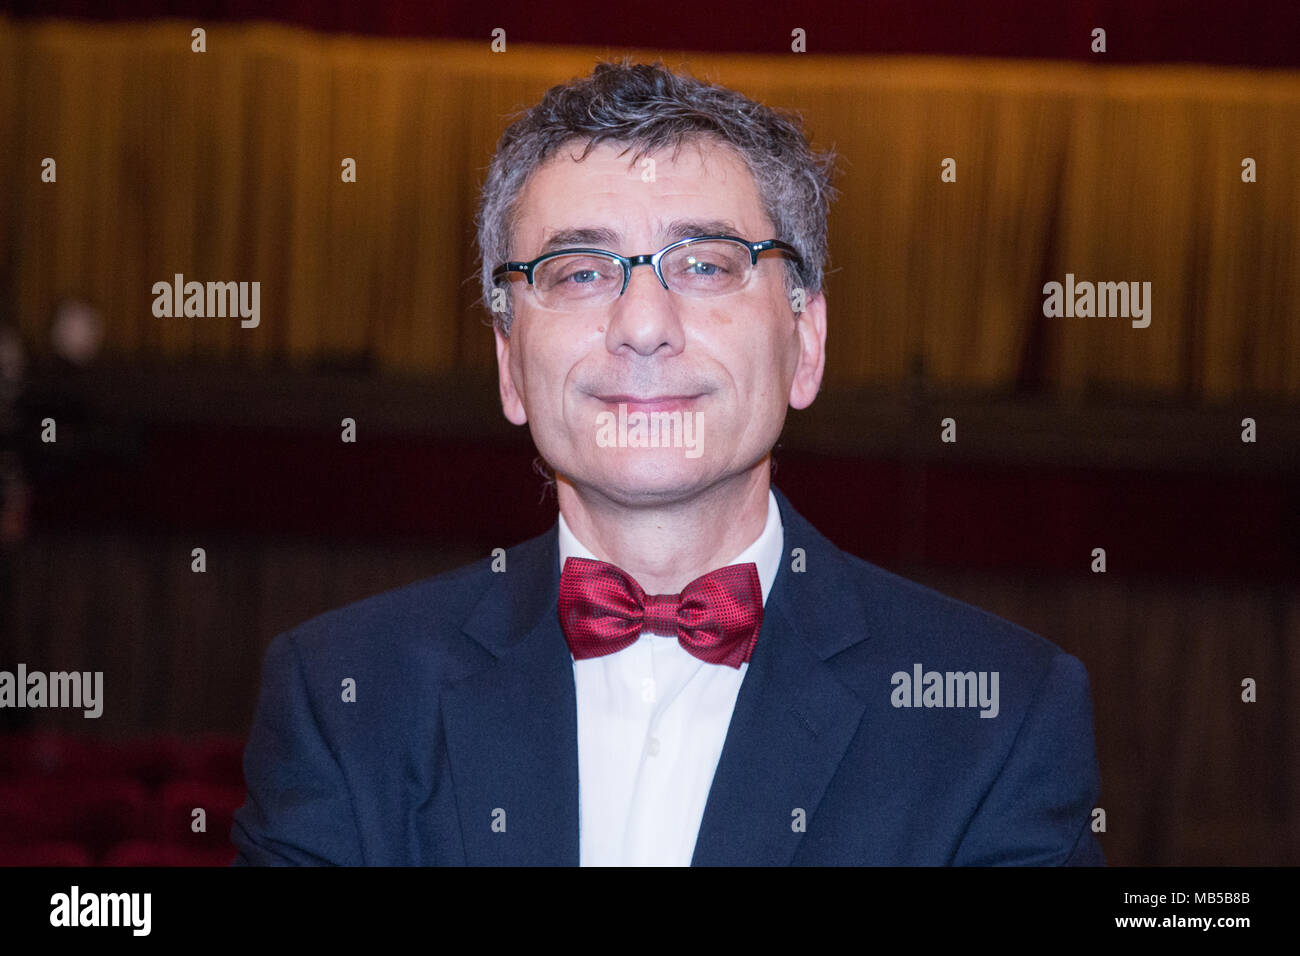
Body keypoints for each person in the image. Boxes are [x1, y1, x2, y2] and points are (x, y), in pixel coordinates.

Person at [232, 59, 1104, 866]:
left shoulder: (999, 717)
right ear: (508, 364)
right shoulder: (339, 697)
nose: (643, 323)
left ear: (806, 342)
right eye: (578, 273)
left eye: (706, 264)